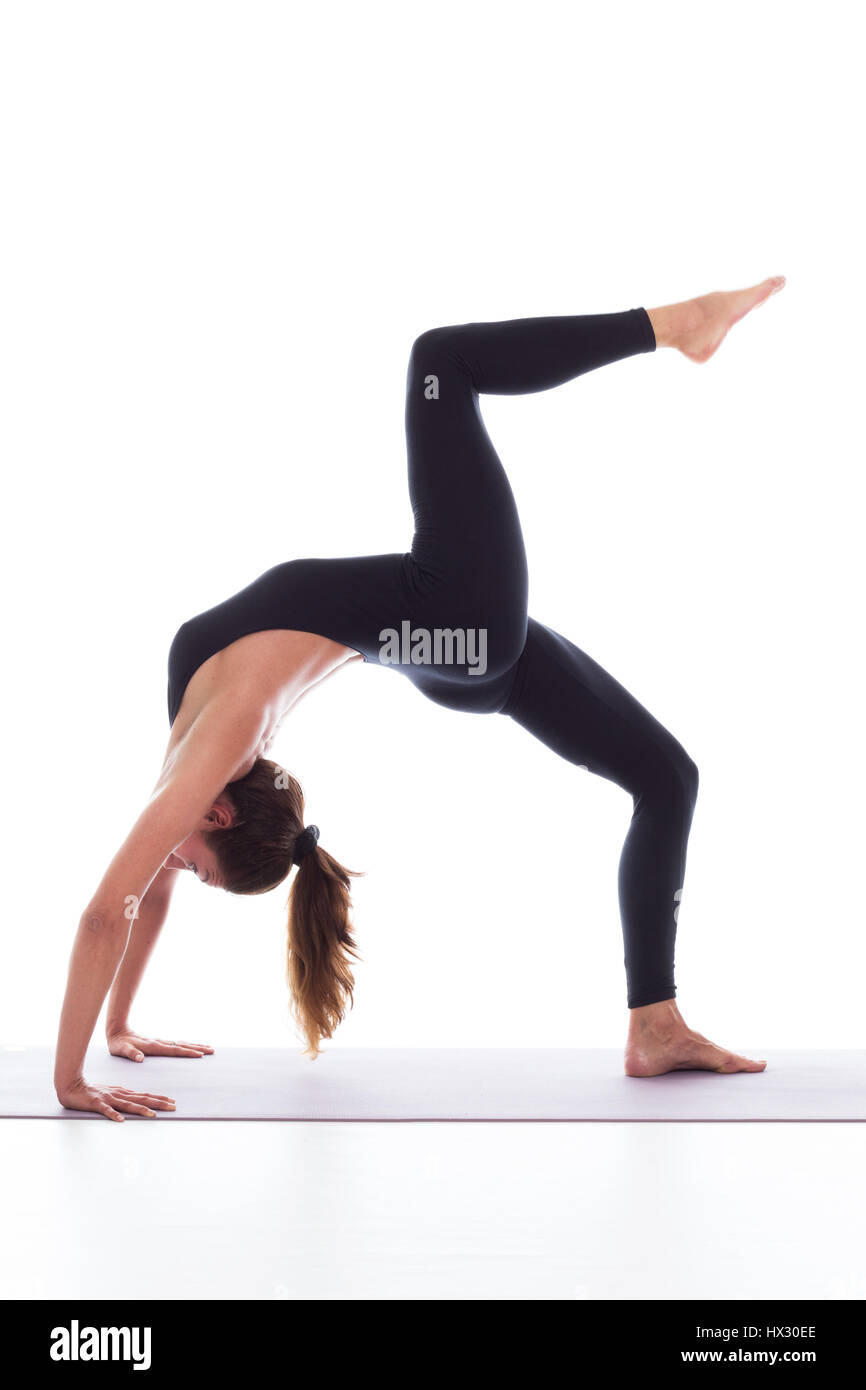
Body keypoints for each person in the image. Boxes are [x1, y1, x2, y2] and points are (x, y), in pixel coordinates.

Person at [55, 276, 785, 1119]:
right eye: (193, 869)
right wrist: (89, 1058)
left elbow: (122, 903)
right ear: (221, 814)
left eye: (190, 866)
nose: (170, 864)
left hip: (448, 644)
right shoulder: (220, 741)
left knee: (667, 776)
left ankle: (655, 1024)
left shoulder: (207, 745)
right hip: (455, 627)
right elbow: (128, 899)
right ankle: (675, 327)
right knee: (442, 361)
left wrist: (104, 1042)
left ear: (216, 816)